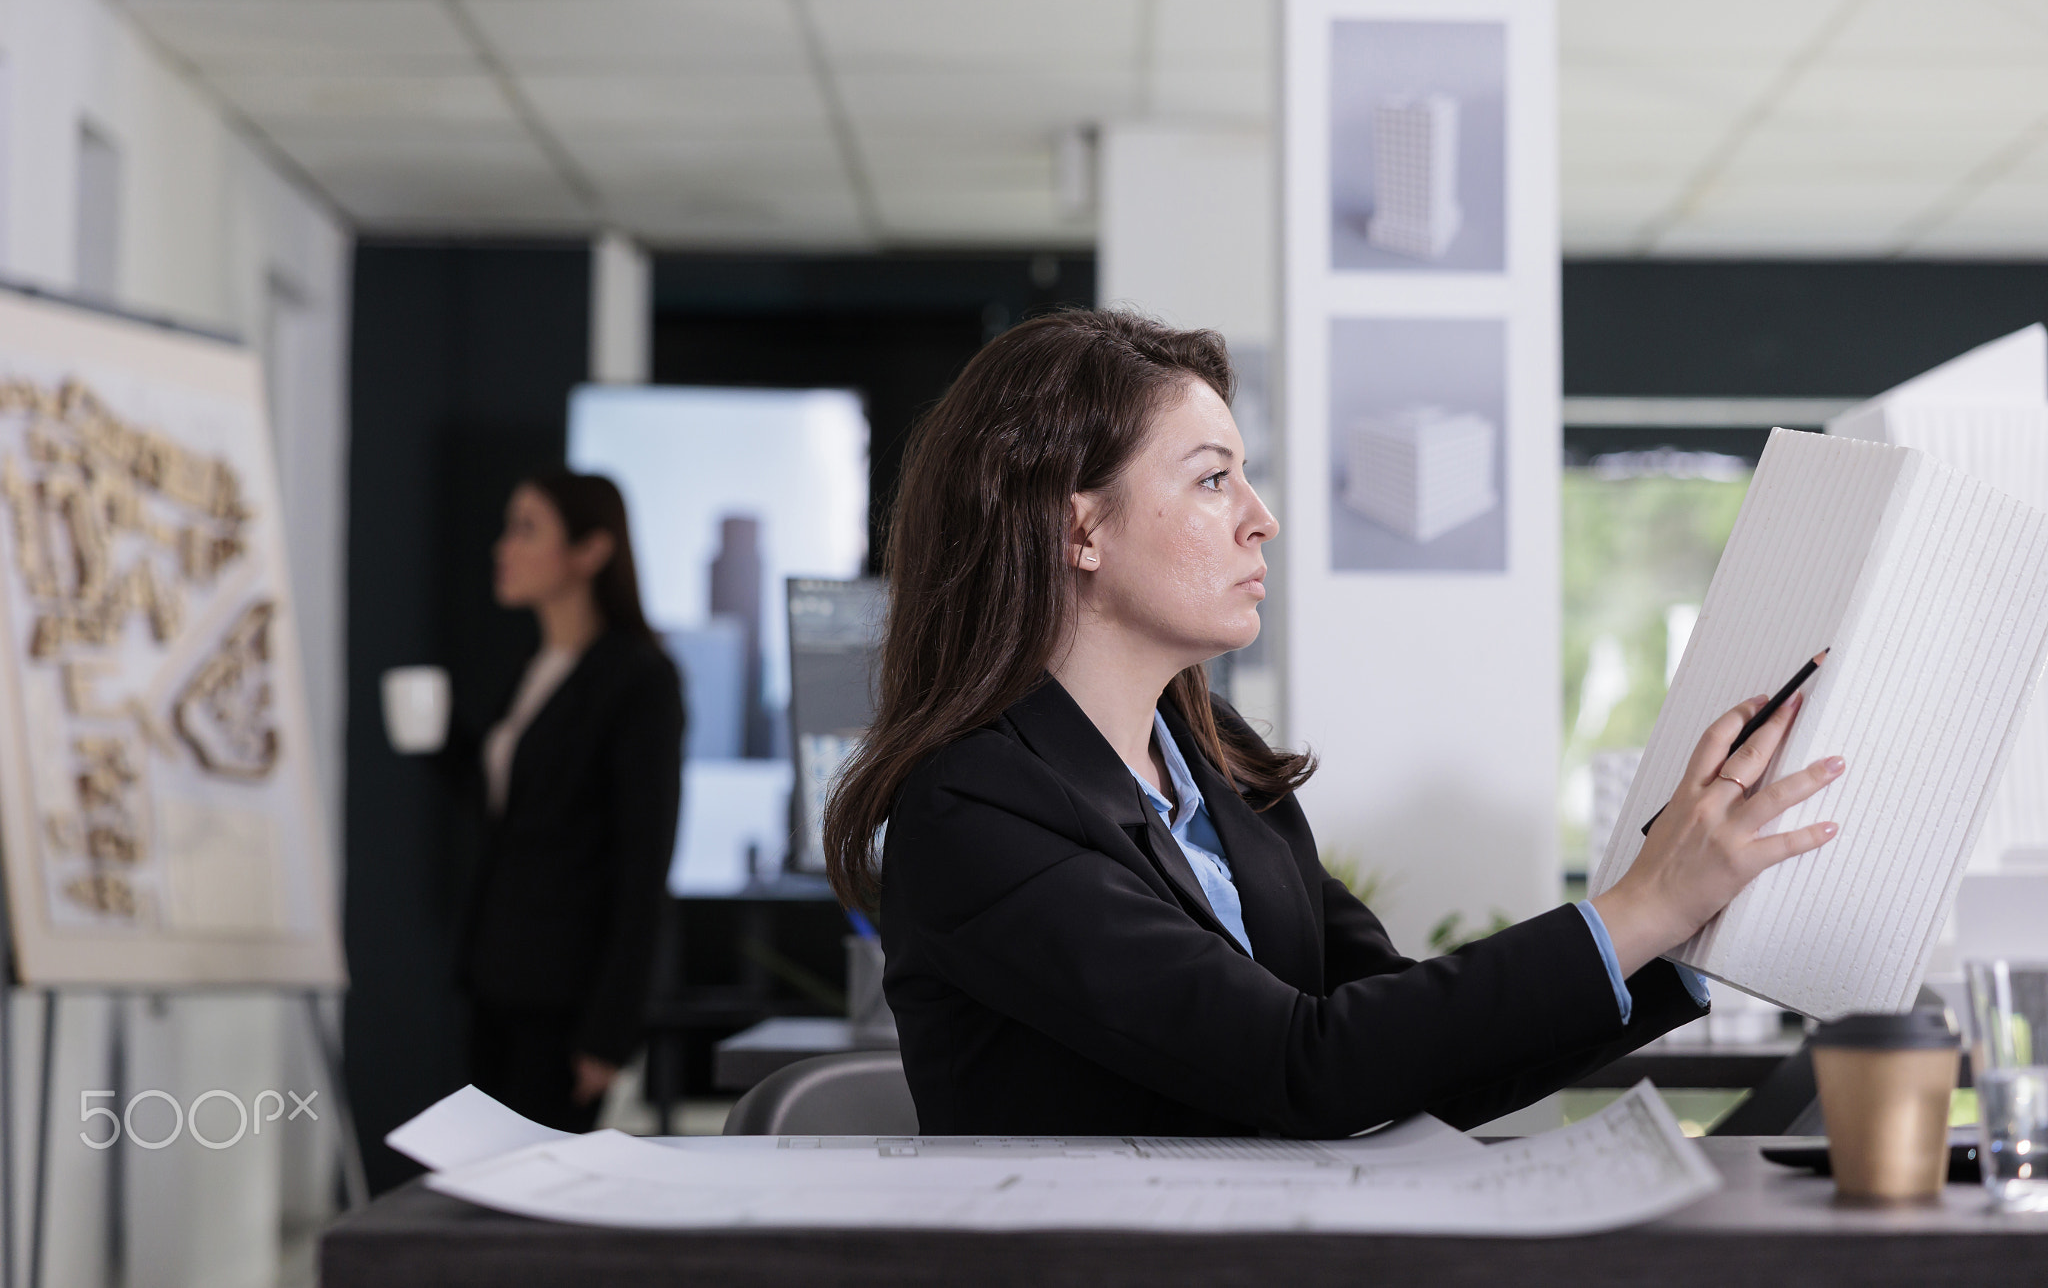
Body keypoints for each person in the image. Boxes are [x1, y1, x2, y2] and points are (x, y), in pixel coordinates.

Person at [823, 310, 1843, 1138]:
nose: (1259, 516)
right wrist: (1642, 908)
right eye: (1212, 477)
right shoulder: (974, 806)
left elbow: (1405, 1049)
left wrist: (1679, 923)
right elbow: (1297, 1066)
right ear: (1077, 527)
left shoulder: (1213, 769)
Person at [451, 470, 684, 1132]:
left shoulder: (638, 678)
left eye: (527, 529)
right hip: (496, 974)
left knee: (534, 1199)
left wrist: (610, 1028)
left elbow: (644, 863)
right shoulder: (536, 666)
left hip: (565, 993)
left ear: (590, 551)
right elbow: (516, 808)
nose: (504, 546)